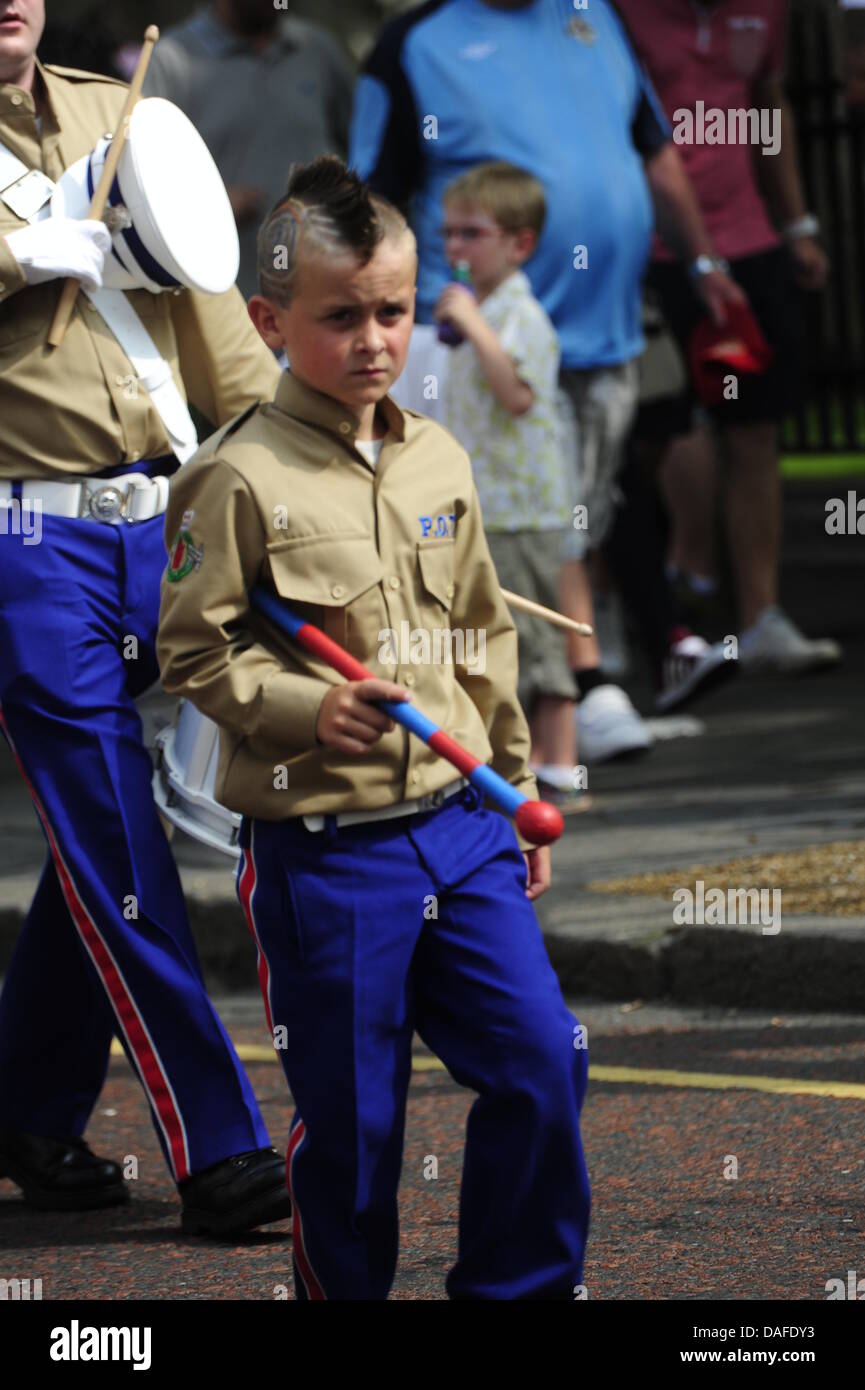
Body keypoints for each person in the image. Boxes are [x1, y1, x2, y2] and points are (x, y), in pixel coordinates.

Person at [158, 156, 591, 1300]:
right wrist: (312, 705)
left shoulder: (439, 456)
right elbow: (194, 650)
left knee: (543, 1063)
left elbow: (485, 635)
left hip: (463, 830)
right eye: (339, 316)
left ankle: (518, 1293)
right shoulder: (234, 477)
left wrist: (510, 789)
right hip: (327, 854)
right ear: (270, 320)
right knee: (356, 1130)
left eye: (392, 311)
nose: (373, 340)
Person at [0, 0, 291, 1235]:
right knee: (120, 828)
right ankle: (220, 1146)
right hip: (21, 531)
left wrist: (291, 475)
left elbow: (212, 323)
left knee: (95, 840)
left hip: (156, 519)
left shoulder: (119, 111)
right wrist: (23, 255)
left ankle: (24, 1104)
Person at [349, 0, 745, 761]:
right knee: (503, 532)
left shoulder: (593, 14)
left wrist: (703, 262)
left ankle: (572, 695)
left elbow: (652, 150)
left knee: (574, 519)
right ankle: (553, 701)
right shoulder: (414, 41)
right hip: (473, 344)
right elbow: (372, 196)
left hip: (606, 331)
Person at [616, 0, 840, 673]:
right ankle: (654, 607)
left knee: (754, 426)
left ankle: (759, 616)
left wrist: (795, 222)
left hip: (747, 245)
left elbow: (766, 106)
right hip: (652, 249)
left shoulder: (764, 10)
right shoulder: (614, 13)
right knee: (652, 430)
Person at [433, 161, 581, 806]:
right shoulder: (487, 310)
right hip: (486, 506)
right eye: (449, 234)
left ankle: (562, 764)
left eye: (472, 234)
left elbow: (517, 395)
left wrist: (474, 327)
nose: (455, 248)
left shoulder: (519, 314)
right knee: (496, 636)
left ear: (519, 243)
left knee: (541, 641)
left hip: (526, 509)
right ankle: (517, 763)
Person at [143, 0, 355, 298]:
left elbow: (362, 146)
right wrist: (207, 207)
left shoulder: (315, 49)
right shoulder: (171, 61)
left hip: (321, 294)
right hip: (223, 301)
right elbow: (140, 185)